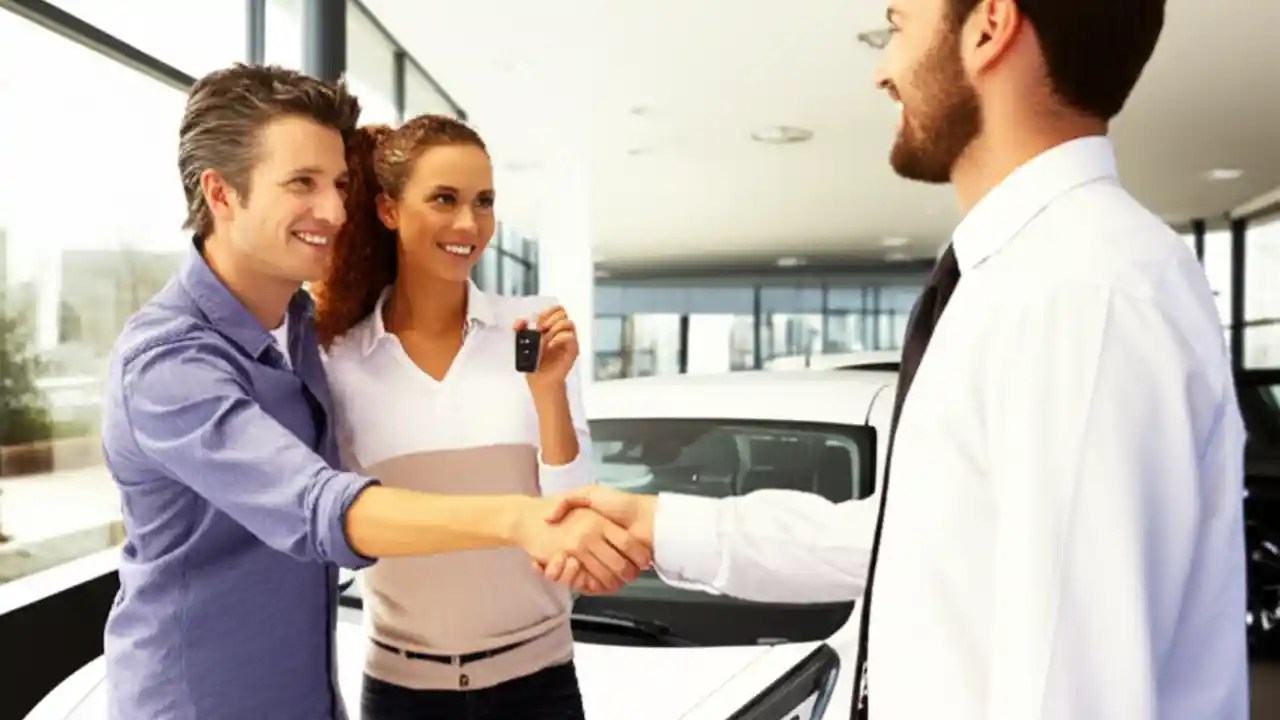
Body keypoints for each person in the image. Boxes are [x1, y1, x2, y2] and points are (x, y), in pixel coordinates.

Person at [543, 0, 1250, 718]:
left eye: (898, 26)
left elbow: (1074, 693)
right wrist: (657, 525)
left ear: (990, 26)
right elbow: (917, 538)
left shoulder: (1081, 294)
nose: (881, 73)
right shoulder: (1024, 280)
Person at [100, 64, 648, 720]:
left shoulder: (301, 333)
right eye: (302, 183)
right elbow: (315, 507)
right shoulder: (170, 363)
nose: (333, 210)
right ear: (220, 193)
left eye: (337, 184)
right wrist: (516, 518)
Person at [312, 114, 597, 719]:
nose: (470, 224)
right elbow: (337, 533)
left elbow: (573, 510)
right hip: (401, 692)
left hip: (539, 684)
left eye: (484, 202)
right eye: (445, 199)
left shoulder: (531, 327)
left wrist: (548, 391)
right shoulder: (338, 361)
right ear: (389, 210)